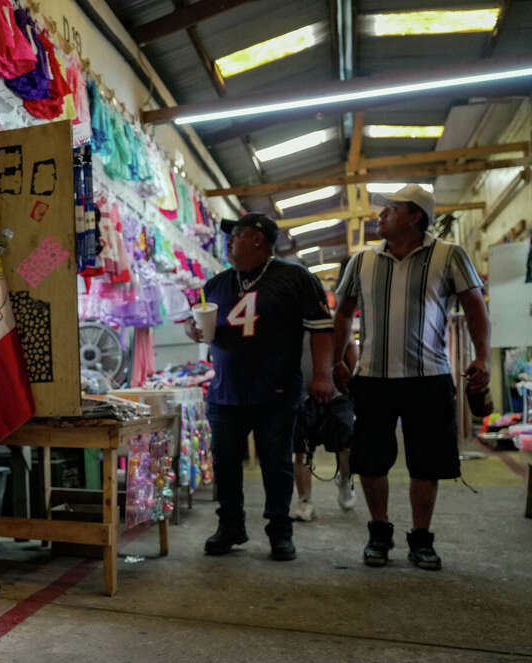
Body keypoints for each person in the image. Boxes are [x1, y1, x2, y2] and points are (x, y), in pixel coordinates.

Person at [333, 184, 490, 570]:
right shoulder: (362, 261)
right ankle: (379, 533)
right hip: (373, 377)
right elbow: (343, 312)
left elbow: (474, 307)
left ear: (415, 216)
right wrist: (337, 360)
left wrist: (482, 357)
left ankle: (421, 539)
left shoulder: (449, 255)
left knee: (427, 463)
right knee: (370, 462)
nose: (381, 215)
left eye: (391, 209)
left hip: (428, 376)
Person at [185, 212, 335, 561]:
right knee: (225, 463)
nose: (228, 241)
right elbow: (196, 326)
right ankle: (230, 526)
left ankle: (280, 532)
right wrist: (192, 331)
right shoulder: (216, 284)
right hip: (225, 392)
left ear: (257, 238)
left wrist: (323, 375)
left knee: (276, 464)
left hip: (276, 391)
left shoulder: (295, 278)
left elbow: (322, 329)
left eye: (235, 234)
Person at [291, 327, 358, 521]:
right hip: (303, 395)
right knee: (301, 450)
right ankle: (305, 501)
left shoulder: (334, 323)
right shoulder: (294, 325)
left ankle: (345, 480)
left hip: (337, 394)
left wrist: (353, 383)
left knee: (346, 442)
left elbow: (351, 347)